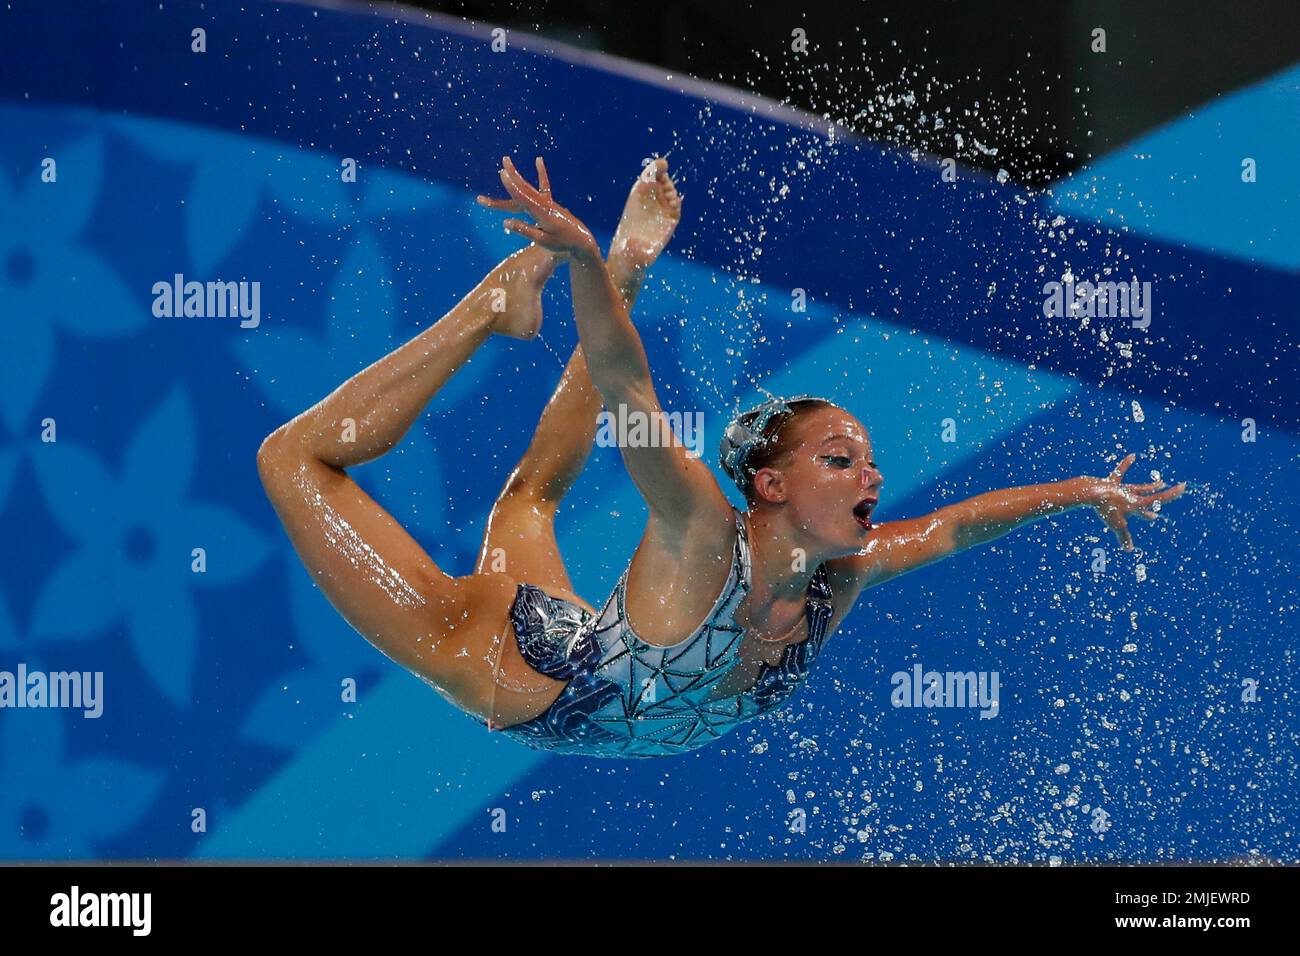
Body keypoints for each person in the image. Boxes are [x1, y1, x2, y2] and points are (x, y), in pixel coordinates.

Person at [257, 156, 1185, 758]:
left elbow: (950, 525)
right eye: (840, 460)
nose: (872, 478)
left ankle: (558, 286)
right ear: (769, 486)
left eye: (866, 461)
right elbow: (630, 395)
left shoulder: (842, 574)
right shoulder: (701, 526)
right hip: (504, 669)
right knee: (292, 460)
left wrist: (1080, 489)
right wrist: (592, 264)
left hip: (580, 643)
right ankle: (495, 303)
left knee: (532, 496)